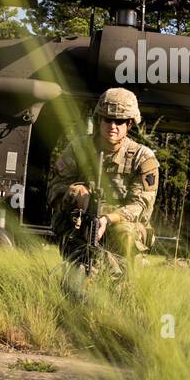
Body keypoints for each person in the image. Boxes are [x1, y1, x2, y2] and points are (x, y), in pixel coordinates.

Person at [47, 88, 159, 275]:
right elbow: (53, 190)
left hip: (122, 225)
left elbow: (141, 206)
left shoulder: (142, 158)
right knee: (78, 268)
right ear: (99, 120)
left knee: (124, 234)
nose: (113, 126)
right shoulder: (78, 148)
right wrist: (76, 194)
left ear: (129, 124)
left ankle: (123, 277)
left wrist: (108, 219)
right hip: (82, 220)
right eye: (108, 119)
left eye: (120, 121)